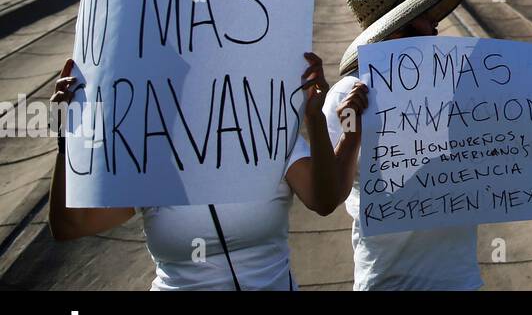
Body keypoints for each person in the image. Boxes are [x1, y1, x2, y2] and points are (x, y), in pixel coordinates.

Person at [323, 0, 532, 289]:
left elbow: (515, 142)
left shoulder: (460, 83)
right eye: (423, 16)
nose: (435, 23)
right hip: (387, 280)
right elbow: (331, 193)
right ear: (397, 31)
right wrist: (351, 130)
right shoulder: (347, 95)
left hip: (459, 279)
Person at [47, 52, 350, 289]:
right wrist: (68, 138)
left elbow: (323, 200)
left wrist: (314, 118)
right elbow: (71, 224)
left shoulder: (268, 129)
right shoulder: (147, 150)